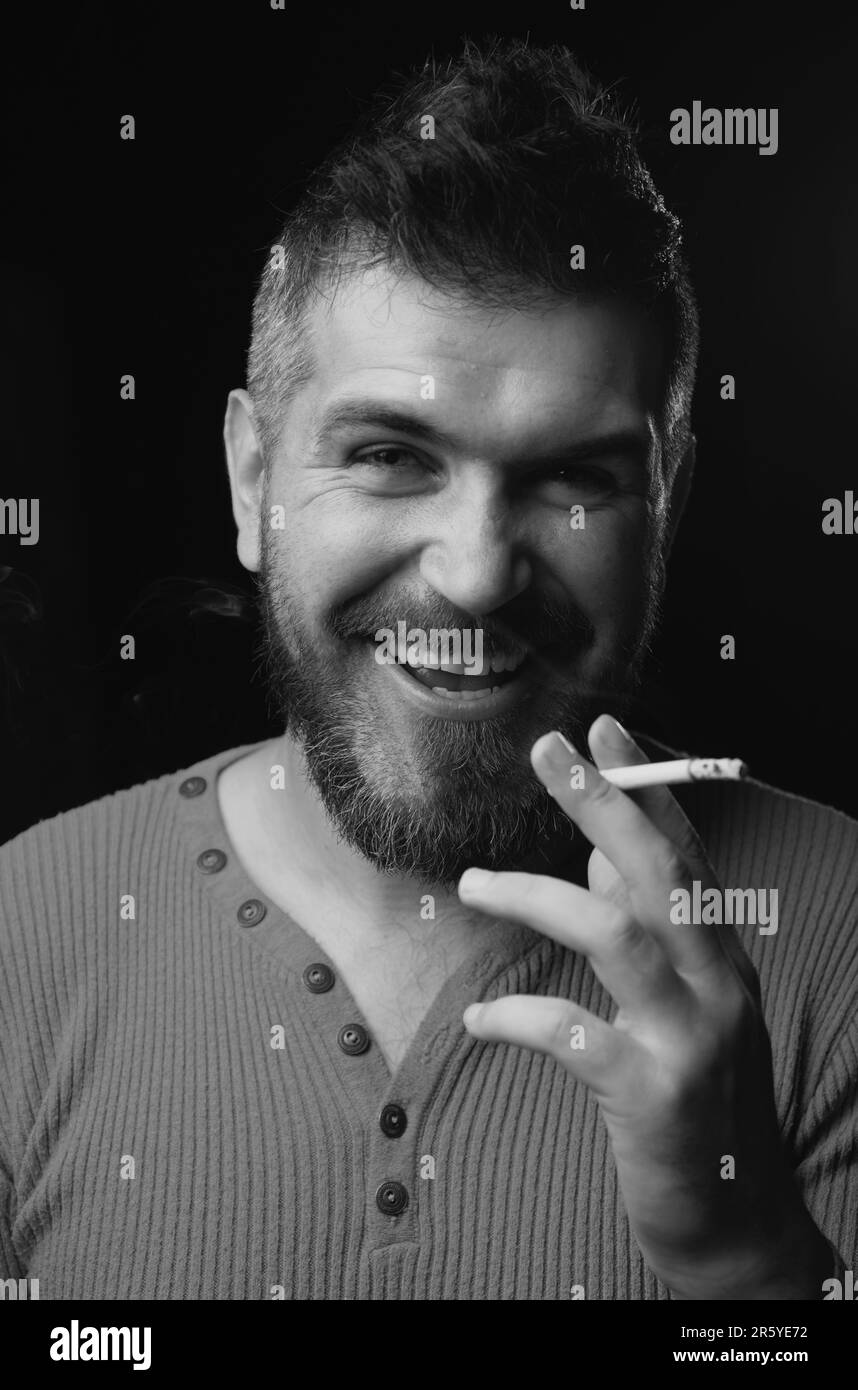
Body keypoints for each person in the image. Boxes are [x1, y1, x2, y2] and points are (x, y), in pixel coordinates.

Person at [1, 38, 855, 1301]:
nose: (473, 574)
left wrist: (748, 1265)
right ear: (251, 483)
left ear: (664, 510)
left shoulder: (841, 941)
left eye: (574, 475)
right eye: (392, 454)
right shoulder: (23, 933)